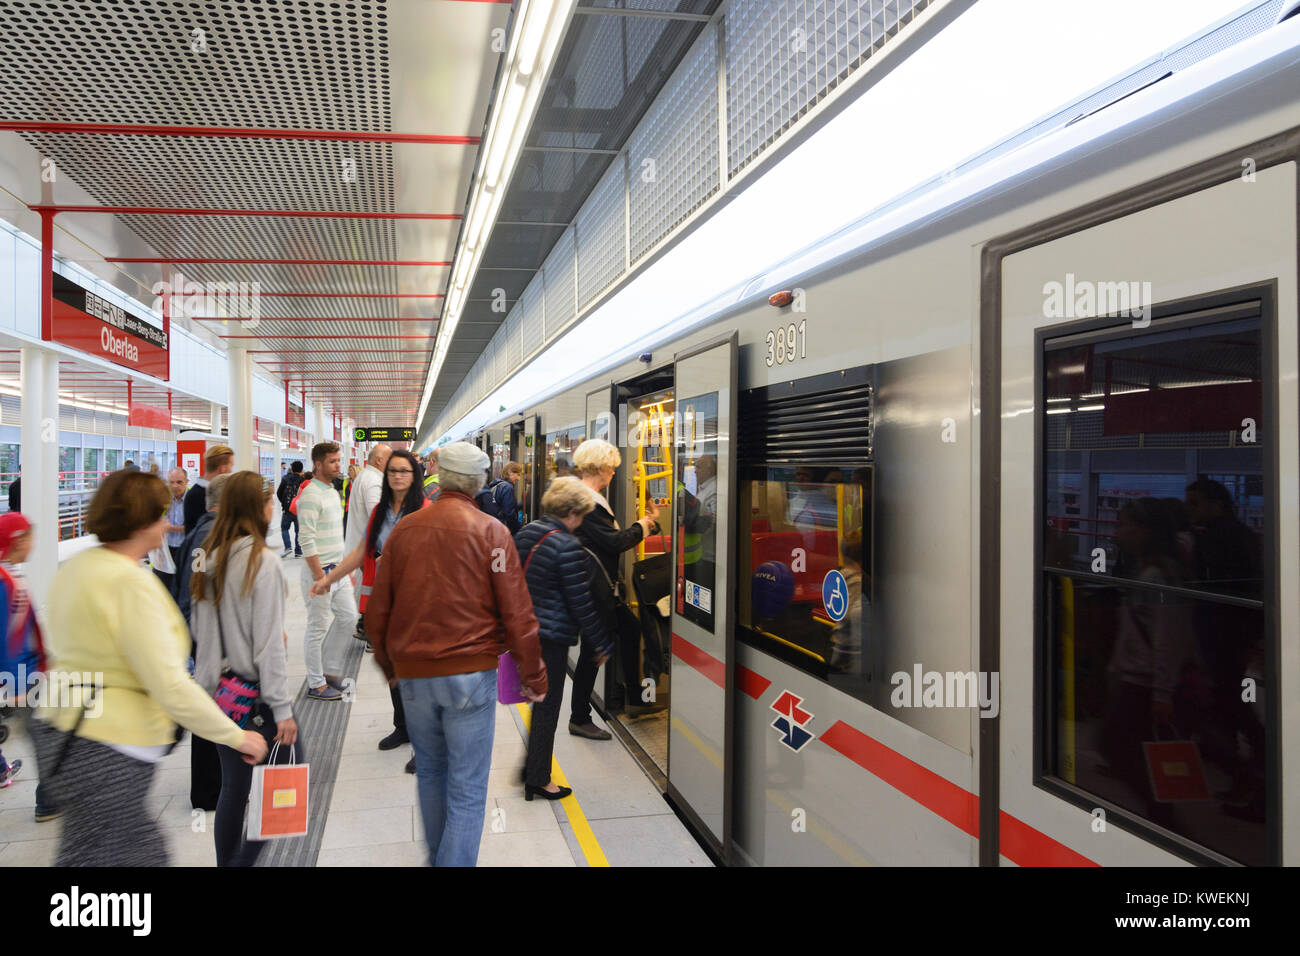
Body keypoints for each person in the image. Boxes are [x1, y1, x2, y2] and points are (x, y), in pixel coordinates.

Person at [30, 470, 267, 866]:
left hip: (59, 732)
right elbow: (169, 683)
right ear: (141, 522)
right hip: (106, 743)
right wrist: (235, 736)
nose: (166, 523)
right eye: (159, 516)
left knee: (88, 850)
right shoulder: (128, 583)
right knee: (129, 856)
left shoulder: (78, 567)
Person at [365, 441, 546, 866]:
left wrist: (391, 666)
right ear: (479, 482)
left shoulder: (405, 530)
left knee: (430, 772)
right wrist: (533, 675)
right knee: (466, 787)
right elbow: (518, 614)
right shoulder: (493, 532)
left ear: (439, 477)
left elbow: (377, 612)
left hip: (413, 677)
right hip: (470, 676)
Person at [192, 471, 303, 867]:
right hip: (259, 699)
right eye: (269, 502)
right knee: (287, 792)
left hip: (221, 696)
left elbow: (201, 633)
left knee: (234, 790)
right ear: (257, 508)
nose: (273, 509)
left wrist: (208, 689)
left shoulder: (208, 556)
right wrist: (282, 708)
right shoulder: (263, 561)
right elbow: (269, 645)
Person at [314, 450, 425, 760]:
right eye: (392, 471)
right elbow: (362, 550)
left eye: (404, 471)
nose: (398, 476)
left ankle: (424, 743)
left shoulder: (425, 511)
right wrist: (330, 578)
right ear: (385, 475)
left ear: (414, 475)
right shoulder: (380, 512)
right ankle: (402, 727)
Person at [515, 478, 612, 800]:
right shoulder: (568, 546)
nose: (581, 521)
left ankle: (532, 765)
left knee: (536, 698)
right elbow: (580, 603)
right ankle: (539, 779)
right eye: (581, 515)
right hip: (550, 638)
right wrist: (600, 643)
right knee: (547, 706)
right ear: (571, 512)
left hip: (525, 632)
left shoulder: (528, 531)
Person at [570, 438, 658, 737]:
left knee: (629, 631)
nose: (612, 475)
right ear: (602, 468)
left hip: (598, 586)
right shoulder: (587, 502)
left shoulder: (587, 498)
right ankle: (579, 717)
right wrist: (645, 525)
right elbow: (614, 542)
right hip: (593, 589)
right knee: (594, 651)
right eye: (611, 469)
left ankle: (634, 697)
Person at [170, 473, 232, 810]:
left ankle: (214, 787)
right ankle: (210, 793)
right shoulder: (210, 537)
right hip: (206, 639)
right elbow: (199, 592)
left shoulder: (202, 532)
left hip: (200, 636)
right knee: (211, 712)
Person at [0, 514, 57, 819]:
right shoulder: (2, 580)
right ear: (16, 541)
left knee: (47, 737)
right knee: (48, 737)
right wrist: (20, 685)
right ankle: (48, 802)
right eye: (29, 537)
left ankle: (49, 799)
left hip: (26, 673)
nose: (33, 543)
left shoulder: (8, 574)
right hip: (22, 679)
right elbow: (4, 640)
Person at [297, 441, 357, 701]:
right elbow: (306, 540)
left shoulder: (332, 491)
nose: (338, 465)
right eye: (332, 461)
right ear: (318, 464)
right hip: (319, 573)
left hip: (338, 572)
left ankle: (330, 671)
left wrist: (345, 569)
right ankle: (316, 683)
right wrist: (320, 577)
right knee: (317, 627)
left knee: (348, 619)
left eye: (338, 460)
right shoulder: (310, 494)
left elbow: (336, 534)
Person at [344, 444, 391, 637]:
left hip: (363, 546)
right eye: (389, 458)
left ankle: (365, 626)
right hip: (373, 548)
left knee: (372, 589)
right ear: (379, 460)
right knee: (379, 590)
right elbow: (378, 516)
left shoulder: (365, 476)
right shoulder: (374, 481)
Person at [184, 444, 234, 533]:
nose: (231, 471)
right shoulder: (197, 496)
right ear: (223, 469)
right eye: (231, 466)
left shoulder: (196, 492)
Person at [156, 468, 188, 592]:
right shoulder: (164, 499)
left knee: (182, 586)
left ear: (186, 481)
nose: (175, 486)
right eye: (171, 482)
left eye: (179, 482)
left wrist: (172, 528)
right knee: (164, 587)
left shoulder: (191, 500)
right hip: (166, 550)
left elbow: (194, 528)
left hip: (184, 550)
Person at [477, 460, 522, 535]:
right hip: (503, 529)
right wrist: (518, 529)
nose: (518, 478)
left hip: (494, 526)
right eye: (518, 474)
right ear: (510, 472)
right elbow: (509, 513)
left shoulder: (496, 485)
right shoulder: (507, 487)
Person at [277, 460, 305, 557]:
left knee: (284, 528)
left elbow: (278, 493)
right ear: (301, 469)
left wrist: (284, 503)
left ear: (292, 469)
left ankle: (288, 547)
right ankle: (298, 551)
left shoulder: (285, 478)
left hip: (288, 508)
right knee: (298, 531)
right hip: (299, 509)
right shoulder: (303, 480)